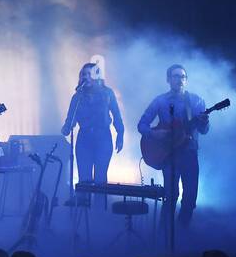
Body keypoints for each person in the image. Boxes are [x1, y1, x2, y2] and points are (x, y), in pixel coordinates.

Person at [137, 64, 210, 231]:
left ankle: (182, 229)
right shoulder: (160, 101)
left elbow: (204, 130)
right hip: (168, 153)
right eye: (176, 76)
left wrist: (205, 121)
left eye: (183, 76)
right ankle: (164, 232)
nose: (180, 79)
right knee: (170, 195)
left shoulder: (197, 101)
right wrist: (154, 134)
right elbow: (142, 124)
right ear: (168, 80)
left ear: (187, 80)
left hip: (189, 152)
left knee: (190, 196)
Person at [60, 61, 125, 207]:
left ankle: (99, 213)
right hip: (84, 139)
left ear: (96, 76)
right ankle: (84, 217)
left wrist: (120, 134)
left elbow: (116, 115)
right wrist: (66, 128)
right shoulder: (77, 96)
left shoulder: (107, 93)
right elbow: (70, 118)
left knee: (100, 178)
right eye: (84, 74)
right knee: (84, 179)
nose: (86, 77)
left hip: (103, 138)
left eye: (89, 74)